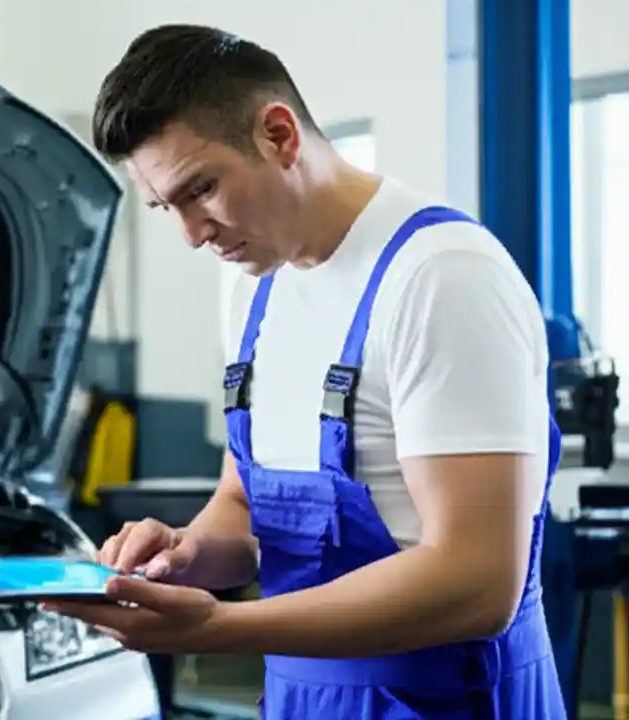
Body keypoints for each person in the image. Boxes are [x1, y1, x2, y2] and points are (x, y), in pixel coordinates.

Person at [42, 24, 565, 719]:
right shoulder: (256, 288)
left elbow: (477, 582)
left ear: (279, 135)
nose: (193, 234)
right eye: (167, 206)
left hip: (449, 699)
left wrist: (215, 628)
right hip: (303, 697)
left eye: (202, 189)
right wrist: (186, 554)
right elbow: (244, 507)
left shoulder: (440, 278)